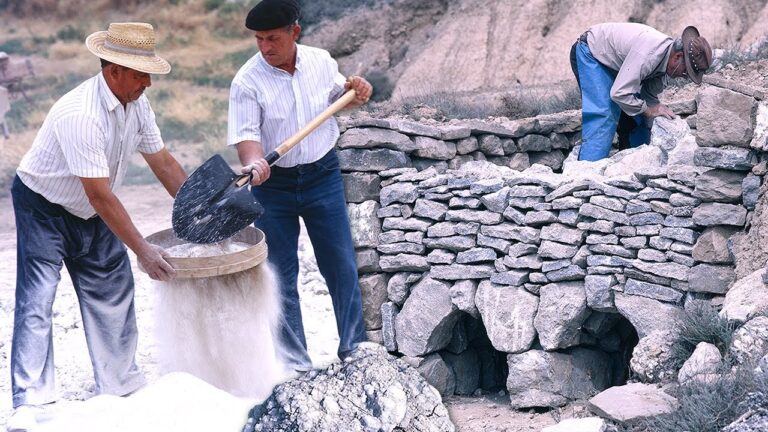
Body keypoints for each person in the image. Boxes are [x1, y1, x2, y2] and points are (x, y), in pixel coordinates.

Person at [8, 22, 186, 431]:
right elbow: (100, 196)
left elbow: (163, 163)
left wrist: (199, 212)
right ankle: (30, 403)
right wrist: (142, 248)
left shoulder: (137, 104)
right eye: (142, 74)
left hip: (92, 205)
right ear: (114, 71)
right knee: (37, 298)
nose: (148, 84)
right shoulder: (80, 113)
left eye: (149, 74)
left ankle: (120, 384)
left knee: (113, 286)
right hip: (43, 205)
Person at [228, 0, 373, 374]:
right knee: (279, 274)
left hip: (322, 174)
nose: (264, 47)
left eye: (272, 38)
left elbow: (343, 97)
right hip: (272, 187)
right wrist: (255, 161)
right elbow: (246, 136)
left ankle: (355, 350)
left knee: (340, 263)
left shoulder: (321, 62)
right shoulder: (247, 81)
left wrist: (356, 90)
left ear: (295, 31)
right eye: (259, 39)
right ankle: (295, 366)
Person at [569, 23, 712, 161]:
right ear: (678, 57)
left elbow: (648, 97)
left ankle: (633, 167)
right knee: (605, 114)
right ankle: (586, 177)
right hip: (592, 52)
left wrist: (653, 111)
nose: (684, 77)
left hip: (616, 63)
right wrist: (648, 110)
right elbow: (619, 93)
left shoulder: (665, 62)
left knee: (639, 118)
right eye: (686, 72)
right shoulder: (648, 55)